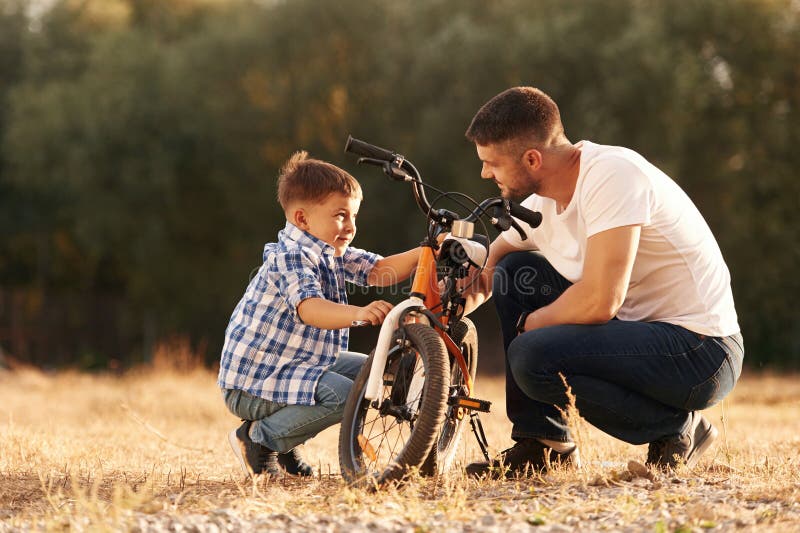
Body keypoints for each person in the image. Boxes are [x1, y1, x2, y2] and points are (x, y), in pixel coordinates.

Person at [460, 87, 744, 478]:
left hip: (701, 351)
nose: (484, 173)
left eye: (492, 163)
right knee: (515, 272)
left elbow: (600, 301)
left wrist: (532, 325)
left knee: (530, 356)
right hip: (642, 335)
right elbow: (496, 258)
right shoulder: (544, 200)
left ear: (532, 159)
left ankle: (679, 429)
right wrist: (460, 297)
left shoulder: (612, 175)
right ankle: (545, 444)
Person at [218, 151, 421, 477]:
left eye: (354, 216)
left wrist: (424, 251)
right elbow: (311, 309)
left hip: (293, 365)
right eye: (341, 215)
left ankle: (283, 441)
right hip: (253, 382)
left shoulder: (330, 252)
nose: (351, 226)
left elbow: (379, 269)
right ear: (302, 219)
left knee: (374, 368)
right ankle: (259, 439)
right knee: (345, 398)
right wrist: (360, 313)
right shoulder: (291, 257)